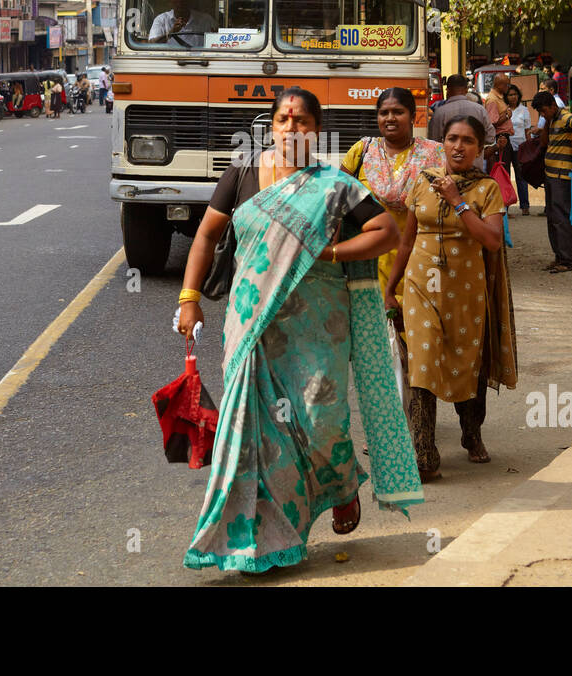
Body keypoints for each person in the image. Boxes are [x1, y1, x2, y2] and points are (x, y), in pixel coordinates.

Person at [177, 87, 421, 573]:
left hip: (318, 328)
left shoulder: (334, 186)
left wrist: (327, 253)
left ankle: (343, 483)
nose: (292, 129)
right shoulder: (243, 173)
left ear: (317, 130)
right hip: (253, 325)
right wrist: (189, 297)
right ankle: (256, 541)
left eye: (303, 121)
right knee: (251, 431)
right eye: (284, 120)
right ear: (272, 126)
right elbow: (206, 234)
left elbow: (386, 234)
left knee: (320, 420)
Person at [385, 114, 517, 479]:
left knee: (466, 365)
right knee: (422, 366)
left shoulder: (487, 189)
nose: (458, 146)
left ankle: (471, 432)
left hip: (466, 292)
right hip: (420, 287)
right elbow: (407, 240)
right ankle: (424, 456)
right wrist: (390, 287)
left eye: (467, 141)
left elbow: (491, 240)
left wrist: (458, 201)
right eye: (452, 139)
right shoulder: (422, 183)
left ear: (480, 147)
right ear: (442, 143)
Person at [341, 88, 446, 299]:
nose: (390, 118)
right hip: (368, 263)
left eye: (398, 112)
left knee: (414, 329)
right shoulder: (362, 151)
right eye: (383, 113)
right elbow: (338, 201)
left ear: (413, 116)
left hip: (419, 260)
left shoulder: (435, 154)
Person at [532, 90, 572, 273]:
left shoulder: (566, 117)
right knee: (553, 217)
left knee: (561, 217)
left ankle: (567, 260)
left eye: (544, 111)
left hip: (562, 175)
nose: (543, 115)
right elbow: (544, 143)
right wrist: (547, 122)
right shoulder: (552, 120)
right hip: (551, 174)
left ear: (553, 106)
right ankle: (559, 256)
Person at [428, 74, 496, 169]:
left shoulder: (440, 113)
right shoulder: (480, 110)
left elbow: (433, 143)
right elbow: (490, 138)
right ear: (466, 90)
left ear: (447, 90)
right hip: (474, 169)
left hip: (448, 170)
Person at [147, 0, 216, 48]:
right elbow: (152, 44)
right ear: (169, 0)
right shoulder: (161, 20)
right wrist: (171, 32)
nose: (180, 1)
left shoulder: (206, 20)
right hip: (170, 59)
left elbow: (217, 43)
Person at [503, 84, 534, 215]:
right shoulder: (503, 109)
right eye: (510, 95)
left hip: (520, 147)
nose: (513, 97)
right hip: (506, 147)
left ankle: (525, 206)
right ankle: (506, 207)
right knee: (506, 177)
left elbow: (527, 131)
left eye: (515, 94)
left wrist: (529, 147)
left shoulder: (524, 110)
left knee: (521, 177)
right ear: (506, 97)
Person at [483, 73, 514, 168]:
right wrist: (507, 116)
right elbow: (492, 123)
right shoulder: (492, 99)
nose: (508, 87)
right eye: (506, 85)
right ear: (499, 85)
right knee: (502, 170)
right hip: (500, 139)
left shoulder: (498, 97)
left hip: (504, 138)